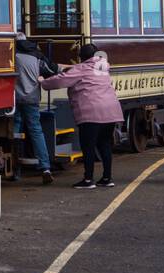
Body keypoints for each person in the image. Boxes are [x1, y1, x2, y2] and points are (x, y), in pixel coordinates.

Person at [39, 44, 123, 190]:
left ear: (81, 57)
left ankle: (88, 179)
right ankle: (107, 178)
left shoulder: (81, 69)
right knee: (105, 145)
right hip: (111, 112)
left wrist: (43, 82)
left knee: (88, 146)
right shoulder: (103, 68)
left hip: (91, 113)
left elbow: (60, 80)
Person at [14, 34, 60, 184]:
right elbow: (51, 70)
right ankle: (45, 167)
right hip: (32, 99)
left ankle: (15, 169)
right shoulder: (36, 55)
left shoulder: (12, 55)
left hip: (14, 100)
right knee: (36, 131)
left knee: (15, 132)